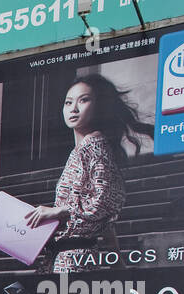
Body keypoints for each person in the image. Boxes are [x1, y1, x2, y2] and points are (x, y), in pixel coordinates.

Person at [25, 74, 153, 272]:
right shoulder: (86, 148)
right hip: (70, 258)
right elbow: (106, 219)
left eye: (83, 100)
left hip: (73, 261)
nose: (73, 109)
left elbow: (103, 201)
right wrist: (118, 263)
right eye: (68, 102)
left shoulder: (93, 145)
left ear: (99, 106)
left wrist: (60, 211)